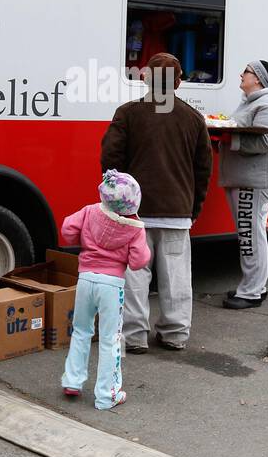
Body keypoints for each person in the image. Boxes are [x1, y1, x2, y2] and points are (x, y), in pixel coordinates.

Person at [101, 53, 213, 354]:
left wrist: (117, 202)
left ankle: (135, 335)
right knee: (176, 276)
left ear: (145, 77)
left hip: (134, 213)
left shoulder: (127, 113)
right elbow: (203, 170)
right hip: (177, 212)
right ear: (178, 82)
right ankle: (175, 333)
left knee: (136, 274)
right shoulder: (193, 118)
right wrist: (193, 208)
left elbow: (110, 159)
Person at [60, 170, 151, 410]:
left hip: (86, 279)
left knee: (80, 330)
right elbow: (139, 261)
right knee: (110, 339)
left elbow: (68, 231)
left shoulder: (89, 211)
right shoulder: (134, 228)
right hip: (112, 285)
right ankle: (106, 394)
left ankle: (73, 381)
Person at [219, 60, 268, 310]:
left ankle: (251, 292)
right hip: (247, 178)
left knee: (250, 234)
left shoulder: (266, 105)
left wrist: (231, 141)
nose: (241, 74)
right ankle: (255, 286)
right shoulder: (252, 103)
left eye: (245, 71)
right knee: (251, 232)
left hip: (254, 180)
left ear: (257, 79)